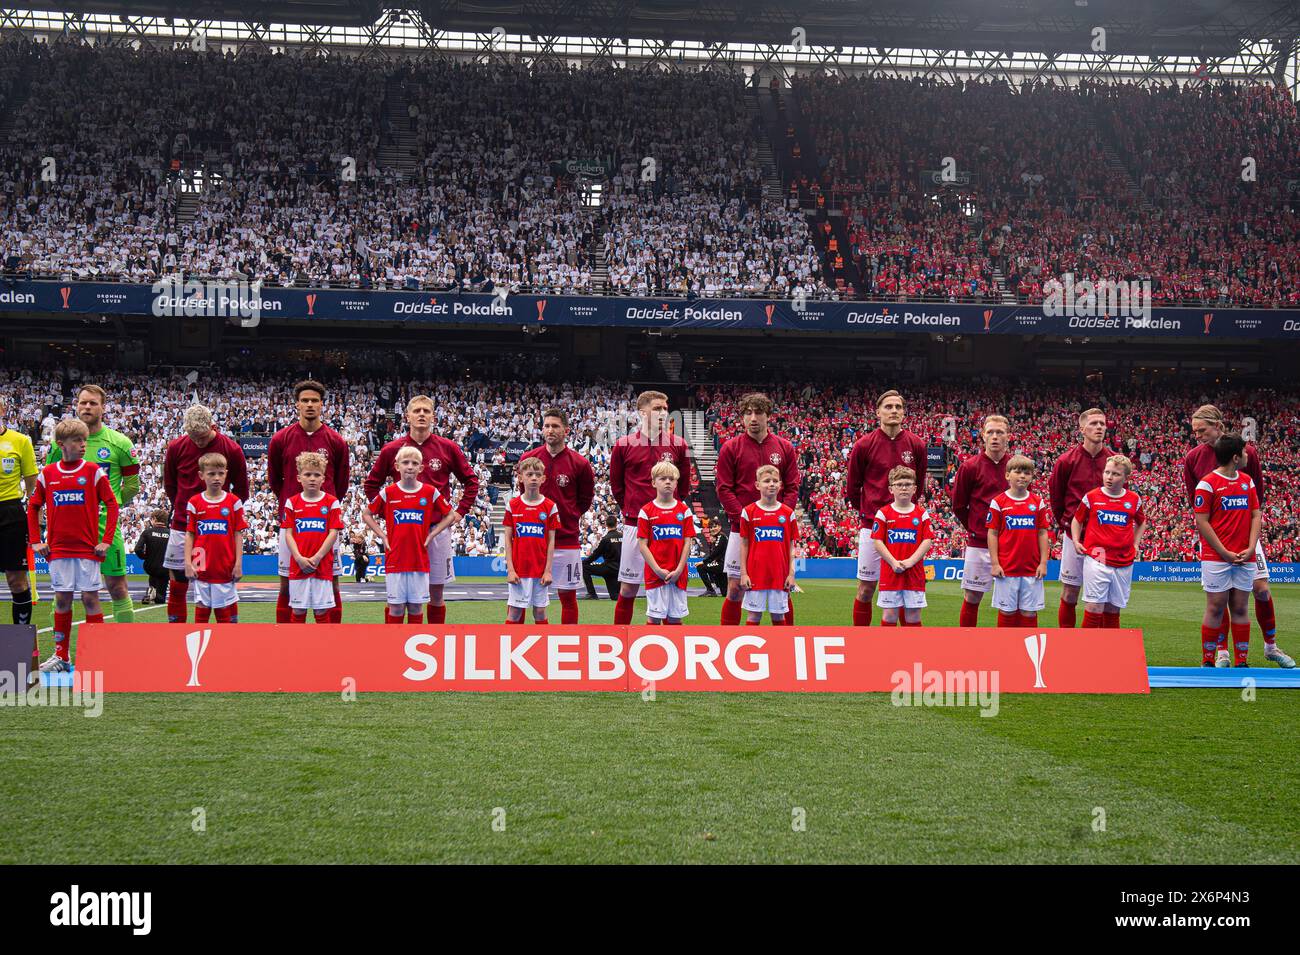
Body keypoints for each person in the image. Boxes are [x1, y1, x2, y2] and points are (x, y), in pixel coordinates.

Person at [1182, 404, 1291, 667]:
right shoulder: (1193, 458)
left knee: (1261, 589)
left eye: (1201, 430)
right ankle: (1221, 652)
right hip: (1216, 539)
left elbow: (1257, 497)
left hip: (1245, 536)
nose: (1197, 435)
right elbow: (1196, 504)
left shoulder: (1247, 452)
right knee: (1220, 597)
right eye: (1194, 431)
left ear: (1218, 425)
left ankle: (1271, 647)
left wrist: (1250, 539)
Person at [364, 395, 479, 625]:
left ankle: (433, 644)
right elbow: (371, 485)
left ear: (433, 416)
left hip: (436, 530)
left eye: (426, 410)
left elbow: (471, 481)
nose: (422, 414)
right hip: (403, 532)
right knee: (395, 596)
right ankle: (393, 645)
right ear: (407, 416)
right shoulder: (392, 449)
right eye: (417, 410)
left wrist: (459, 512)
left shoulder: (447, 447)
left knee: (436, 593)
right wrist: (387, 511)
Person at [27, 419, 119, 673]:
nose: (82, 445)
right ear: (61, 444)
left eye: (84, 441)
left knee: (90, 598)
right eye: (78, 441)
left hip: (87, 549)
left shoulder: (93, 471)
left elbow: (112, 504)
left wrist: (106, 540)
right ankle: (61, 657)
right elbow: (34, 506)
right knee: (62, 599)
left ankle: (97, 656)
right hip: (58, 550)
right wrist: (36, 540)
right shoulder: (49, 474)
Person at [46, 384, 139, 624]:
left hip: (104, 529)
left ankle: (125, 647)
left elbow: (132, 486)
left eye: (92, 403)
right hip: (68, 530)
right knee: (63, 592)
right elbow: (48, 482)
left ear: (103, 408)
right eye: (82, 402)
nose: (86, 407)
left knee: (117, 587)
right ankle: (61, 652)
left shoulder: (120, 443)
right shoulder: (61, 443)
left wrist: (110, 506)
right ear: (76, 405)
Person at [715, 392, 801, 625]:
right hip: (741, 529)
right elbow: (724, 489)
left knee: (783, 585)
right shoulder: (731, 448)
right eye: (748, 413)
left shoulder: (784, 447)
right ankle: (727, 642)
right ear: (742, 417)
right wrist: (744, 518)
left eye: (758, 412)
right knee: (735, 587)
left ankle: (788, 644)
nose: (753, 418)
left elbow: (792, 487)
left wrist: (781, 517)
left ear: (768, 416)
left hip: (776, 530)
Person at [268, 381, 349, 623]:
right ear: (297, 405)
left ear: (322, 405)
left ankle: (333, 639)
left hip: (325, 525)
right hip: (292, 524)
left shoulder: (336, 441)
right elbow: (274, 480)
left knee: (332, 582)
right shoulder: (281, 439)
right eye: (305, 400)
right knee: (286, 582)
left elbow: (341, 483)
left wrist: (325, 507)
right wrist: (289, 502)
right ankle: (285, 639)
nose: (310, 404)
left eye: (314, 400)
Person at [845, 390, 929, 626]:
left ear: (903, 413)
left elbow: (919, 484)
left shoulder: (916, 444)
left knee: (905, 591)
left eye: (898, 407)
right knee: (865, 588)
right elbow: (853, 487)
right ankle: (861, 643)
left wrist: (905, 511)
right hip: (872, 526)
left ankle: (904, 649)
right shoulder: (864, 444)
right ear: (878, 412)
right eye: (888, 407)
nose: (893, 411)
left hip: (906, 528)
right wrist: (870, 513)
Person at [161, 405, 250, 623]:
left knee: (225, 581)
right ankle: (177, 632)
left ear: (213, 427)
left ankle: (230, 632)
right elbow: (171, 485)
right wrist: (187, 508)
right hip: (183, 524)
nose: (198, 442)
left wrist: (224, 511)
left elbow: (241, 489)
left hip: (219, 528)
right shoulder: (176, 447)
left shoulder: (231, 449)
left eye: (201, 437)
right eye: (193, 437)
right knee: (178, 581)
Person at [610, 390, 692, 625]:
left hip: (669, 528)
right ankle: (620, 642)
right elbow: (617, 486)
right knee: (628, 589)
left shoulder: (679, 444)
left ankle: (670, 649)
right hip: (635, 524)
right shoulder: (624, 445)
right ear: (642, 412)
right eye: (657, 408)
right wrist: (635, 508)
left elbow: (683, 485)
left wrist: (668, 510)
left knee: (669, 586)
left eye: (665, 408)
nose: (663, 413)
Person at [520, 407, 595, 624]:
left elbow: (584, 500)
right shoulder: (529, 459)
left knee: (568, 596)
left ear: (566, 430)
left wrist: (568, 517)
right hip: (533, 539)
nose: (550, 430)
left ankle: (568, 644)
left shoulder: (580, 463)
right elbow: (522, 494)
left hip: (566, 539)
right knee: (524, 597)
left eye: (555, 426)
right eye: (546, 426)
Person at [363, 446, 454, 625]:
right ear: (397, 466)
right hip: (395, 558)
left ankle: (412, 647)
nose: (410, 466)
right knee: (395, 607)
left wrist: (433, 534)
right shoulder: (389, 492)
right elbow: (366, 514)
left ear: (421, 468)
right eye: (405, 463)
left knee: (415, 608)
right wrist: (383, 536)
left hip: (419, 561)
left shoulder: (429, 492)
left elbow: (450, 515)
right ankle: (392, 647)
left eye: (414, 463)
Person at [1049, 407, 1110, 627]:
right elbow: (1056, 498)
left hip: (1104, 540)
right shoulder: (1066, 461)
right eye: (1094, 423)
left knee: (1101, 597)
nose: (1099, 427)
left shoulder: (1113, 461)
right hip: (1074, 539)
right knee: (1070, 592)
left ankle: (1098, 648)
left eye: (1102, 424)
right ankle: (1068, 645)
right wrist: (1067, 525)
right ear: (1082, 428)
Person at [1070, 454, 1146, 629]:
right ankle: (1086, 653)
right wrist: (1075, 540)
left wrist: (1135, 544)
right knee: (1094, 607)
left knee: (1113, 609)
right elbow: (1077, 520)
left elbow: (1142, 522)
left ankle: (1111, 653)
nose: (1109, 477)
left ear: (1126, 478)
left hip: (1124, 560)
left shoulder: (1133, 499)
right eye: (1107, 472)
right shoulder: (1092, 496)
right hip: (1098, 557)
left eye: (1116, 474)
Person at [951, 415, 1010, 627]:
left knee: (1009, 602)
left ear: (1008, 437)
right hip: (979, 544)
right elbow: (958, 506)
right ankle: (967, 647)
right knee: (973, 597)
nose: (995, 437)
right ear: (983, 435)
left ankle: (1008, 649)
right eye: (991, 432)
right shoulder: (970, 467)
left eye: (1000, 432)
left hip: (1009, 545)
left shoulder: (1015, 467)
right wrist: (975, 527)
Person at [987, 455, 1051, 628]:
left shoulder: (1037, 502)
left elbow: (1043, 533)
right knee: (1007, 612)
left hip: (1032, 569)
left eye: (1027, 472)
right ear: (1008, 475)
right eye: (1018, 472)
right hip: (1007, 568)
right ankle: (1004, 651)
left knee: (1029, 612)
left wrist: (1043, 563)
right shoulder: (998, 502)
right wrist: (995, 563)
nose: (1022, 476)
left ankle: (1028, 653)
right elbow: (992, 534)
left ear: (1032, 476)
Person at [183, 452, 246, 624]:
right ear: (201, 475)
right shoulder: (195, 502)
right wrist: (188, 563)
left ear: (226, 473)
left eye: (220, 473)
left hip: (224, 564)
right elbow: (190, 534)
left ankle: (226, 649)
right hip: (201, 563)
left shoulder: (234, 502)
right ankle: (202, 648)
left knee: (224, 610)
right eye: (211, 473)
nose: (216, 478)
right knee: (202, 609)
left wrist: (238, 563)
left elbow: (238, 534)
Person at [282, 451, 343, 624]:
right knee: (298, 609)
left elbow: (333, 532)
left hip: (322, 565)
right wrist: (298, 558)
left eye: (317, 475)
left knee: (322, 610)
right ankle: (296, 648)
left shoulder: (331, 502)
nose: (312, 478)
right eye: (307, 474)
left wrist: (317, 557)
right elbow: (288, 533)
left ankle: (322, 649)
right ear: (299, 477)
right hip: (298, 564)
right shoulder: (292, 502)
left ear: (323, 478)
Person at [871, 466, 934, 627]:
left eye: (907, 484)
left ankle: (913, 651)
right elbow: (878, 541)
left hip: (914, 573)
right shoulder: (883, 513)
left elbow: (927, 540)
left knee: (913, 615)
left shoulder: (921, 514)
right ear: (891, 489)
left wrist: (910, 562)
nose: (903, 488)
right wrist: (893, 562)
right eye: (899, 484)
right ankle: (888, 652)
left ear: (914, 488)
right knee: (890, 615)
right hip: (890, 572)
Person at [636, 461, 695, 625]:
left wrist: (679, 569)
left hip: (678, 574)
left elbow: (687, 543)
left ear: (676, 483)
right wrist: (657, 570)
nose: (668, 482)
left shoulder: (684, 511)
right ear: (654, 482)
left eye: (671, 479)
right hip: (655, 574)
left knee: (675, 618)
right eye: (663, 478)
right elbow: (643, 545)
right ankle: (651, 650)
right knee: (654, 617)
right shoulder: (646, 511)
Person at [739, 465, 798, 625]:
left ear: (780, 485)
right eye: (766, 481)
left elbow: (793, 546)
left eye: (775, 481)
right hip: (755, 574)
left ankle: (781, 650)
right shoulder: (748, 512)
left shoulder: (788, 513)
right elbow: (744, 545)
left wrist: (792, 574)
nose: (771, 484)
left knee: (778, 617)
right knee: (753, 617)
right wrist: (743, 574)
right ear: (757, 485)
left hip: (779, 575)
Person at [503, 457, 559, 625]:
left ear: (543, 479)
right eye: (529, 474)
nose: (533, 478)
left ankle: (543, 649)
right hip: (519, 571)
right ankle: (508, 648)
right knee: (514, 612)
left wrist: (548, 571)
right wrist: (511, 570)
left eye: (537, 474)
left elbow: (551, 542)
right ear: (520, 478)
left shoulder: (550, 506)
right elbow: (508, 540)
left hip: (540, 570)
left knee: (540, 612)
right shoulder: (512, 505)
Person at [0, 394, 38, 628]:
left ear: (3, 408)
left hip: (10, 513)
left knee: (16, 580)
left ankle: (19, 641)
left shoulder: (20, 440)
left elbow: (32, 485)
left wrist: (35, 518)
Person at [134, 509, 172, 605]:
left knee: (153, 577)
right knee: (161, 596)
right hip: (165, 567)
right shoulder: (171, 533)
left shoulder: (147, 532)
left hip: (150, 566)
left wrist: (145, 557)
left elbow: (138, 549)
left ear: (154, 519)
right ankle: (157, 595)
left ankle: (151, 592)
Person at [583, 515, 621, 601]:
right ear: (616, 524)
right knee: (614, 596)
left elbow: (596, 554)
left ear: (606, 525)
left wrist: (584, 562)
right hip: (620, 570)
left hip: (608, 568)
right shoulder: (623, 537)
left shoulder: (605, 539)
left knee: (584, 568)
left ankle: (592, 594)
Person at [696, 518, 728, 597]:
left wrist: (704, 561)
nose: (713, 529)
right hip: (722, 565)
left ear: (720, 527)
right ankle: (714, 586)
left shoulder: (721, 536)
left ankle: (710, 590)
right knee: (725, 593)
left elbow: (715, 553)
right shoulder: (718, 537)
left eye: (715, 526)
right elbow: (717, 553)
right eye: (711, 527)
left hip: (722, 565)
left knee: (700, 566)